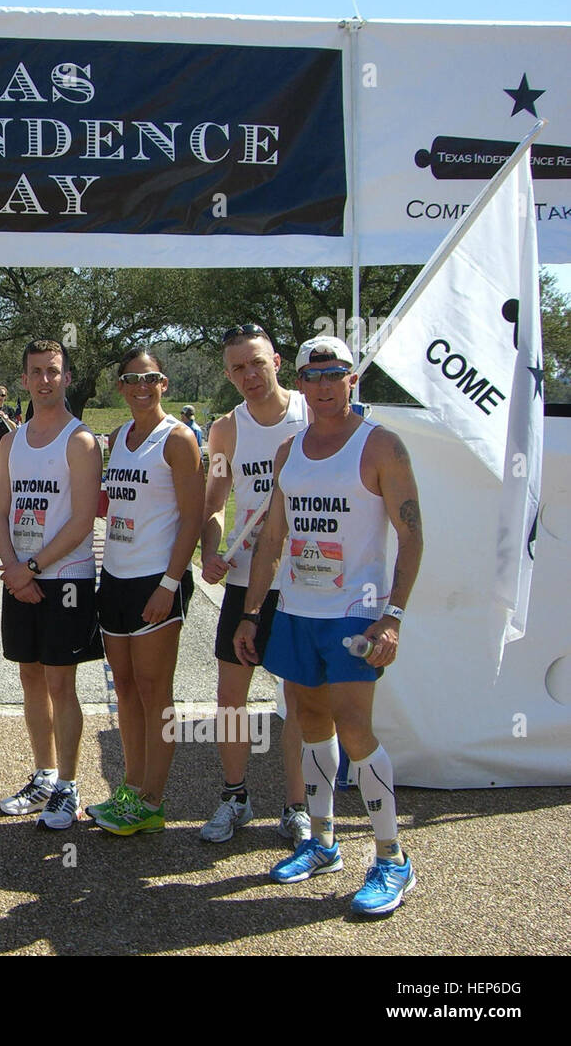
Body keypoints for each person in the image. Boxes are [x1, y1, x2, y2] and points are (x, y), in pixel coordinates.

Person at [234, 335, 423, 916]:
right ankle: (322, 841)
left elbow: (412, 536)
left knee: (355, 727)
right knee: (310, 721)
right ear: (302, 381)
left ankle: (392, 858)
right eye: (312, 376)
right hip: (296, 609)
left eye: (333, 373)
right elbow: (273, 538)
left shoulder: (381, 446)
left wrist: (392, 616)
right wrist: (249, 612)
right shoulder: (288, 452)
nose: (322, 385)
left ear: (351, 379)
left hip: (356, 612)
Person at [200, 324, 310, 847]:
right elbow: (215, 503)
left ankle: (297, 806)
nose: (249, 376)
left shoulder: (313, 416)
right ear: (228, 374)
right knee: (230, 698)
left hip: (305, 582)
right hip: (246, 581)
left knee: (296, 700)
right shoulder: (226, 429)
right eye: (238, 368)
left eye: (257, 363)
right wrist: (213, 549)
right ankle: (235, 796)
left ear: (278, 362)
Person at [88, 350, 204, 835]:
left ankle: (154, 800)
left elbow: (193, 518)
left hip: (157, 581)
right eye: (131, 379)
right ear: (119, 386)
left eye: (149, 379)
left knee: (157, 692)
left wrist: (169, 585)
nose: (141, 386)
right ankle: (131, 788)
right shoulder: (119, 437)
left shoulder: (178, 439)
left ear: (164, 383)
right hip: (114, 577)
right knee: (127, 690)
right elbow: (113, 504)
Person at [0, 339, 103, 829]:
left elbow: (82, 521)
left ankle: (69, 784)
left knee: (62, 682)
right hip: (22, 578)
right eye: (36, 372)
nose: (44, 380)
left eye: (53, 371)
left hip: (64, 579)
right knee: (30, 678)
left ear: (67, 377)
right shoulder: (11, 441)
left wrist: (31, 568)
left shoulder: (80, 441)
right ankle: (43, 775)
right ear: (23, 379)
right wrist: (14, 569)